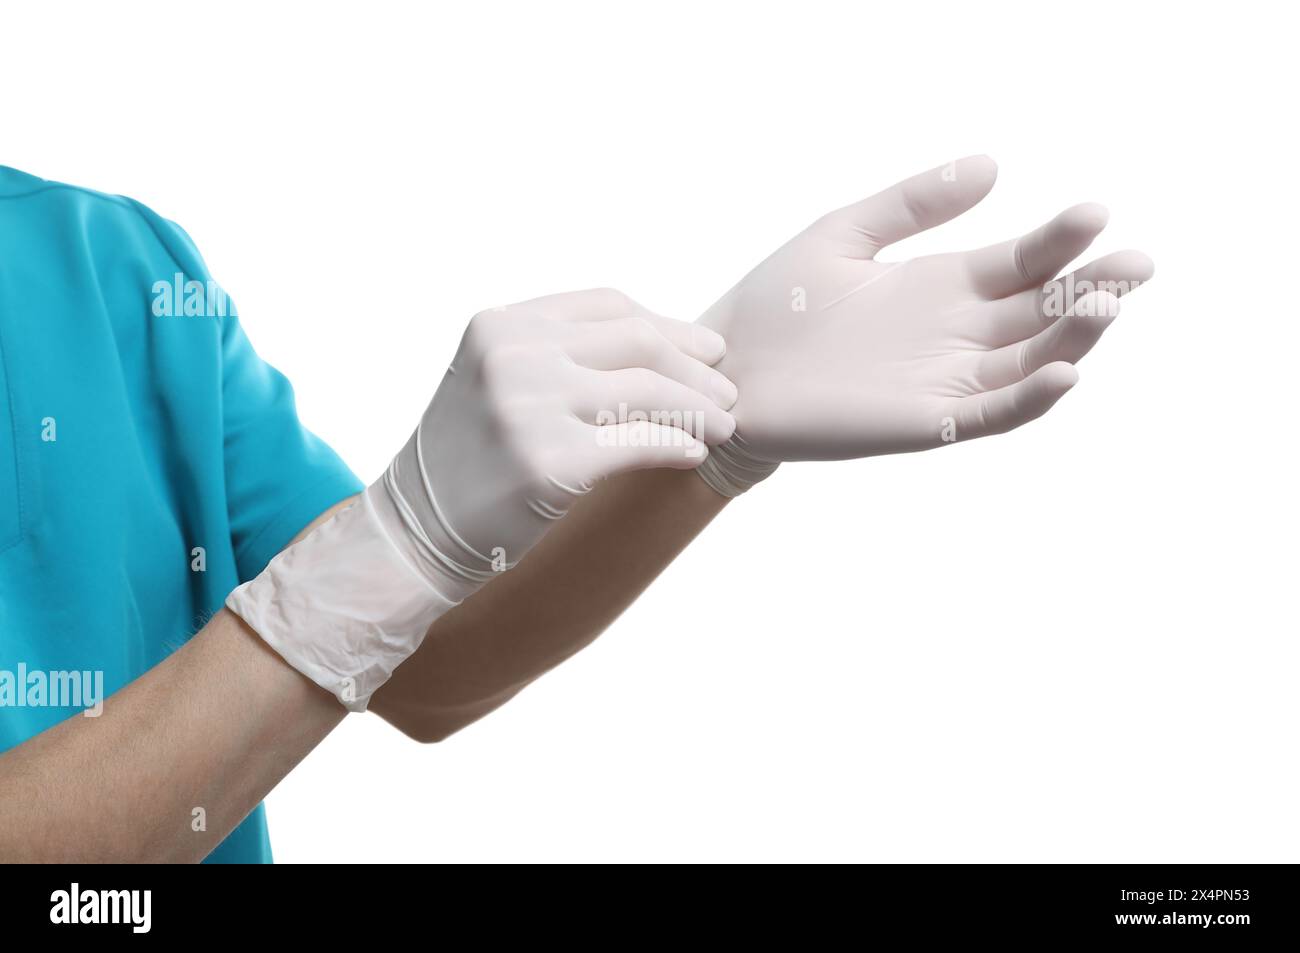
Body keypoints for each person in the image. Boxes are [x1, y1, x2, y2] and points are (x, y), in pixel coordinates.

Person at [0, 157, 1154, 861]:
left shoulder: (112, 261)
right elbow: (343, 613)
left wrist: (716, 432)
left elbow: (416, 665)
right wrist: (386, 549)